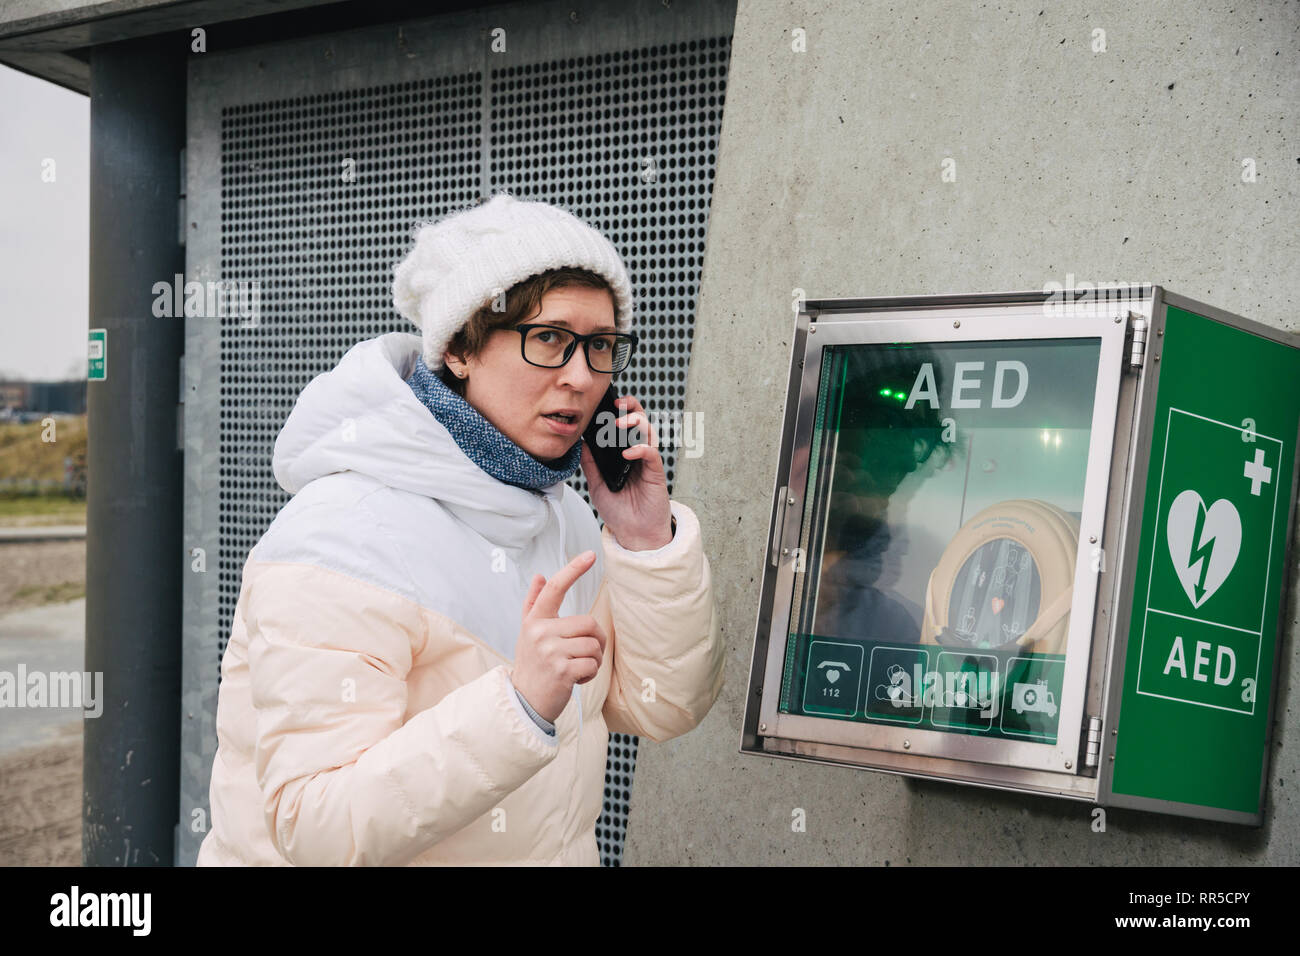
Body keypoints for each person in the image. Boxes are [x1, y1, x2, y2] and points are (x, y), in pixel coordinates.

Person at [196, 194, 725, 866]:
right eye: (550, 339)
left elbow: (661, 709)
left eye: (601, 347)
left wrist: (647, 544)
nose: (581, 376)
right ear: (459, 348)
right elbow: (316, 825)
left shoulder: (560, 514)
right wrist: (518, 706)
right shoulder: (341, 536)